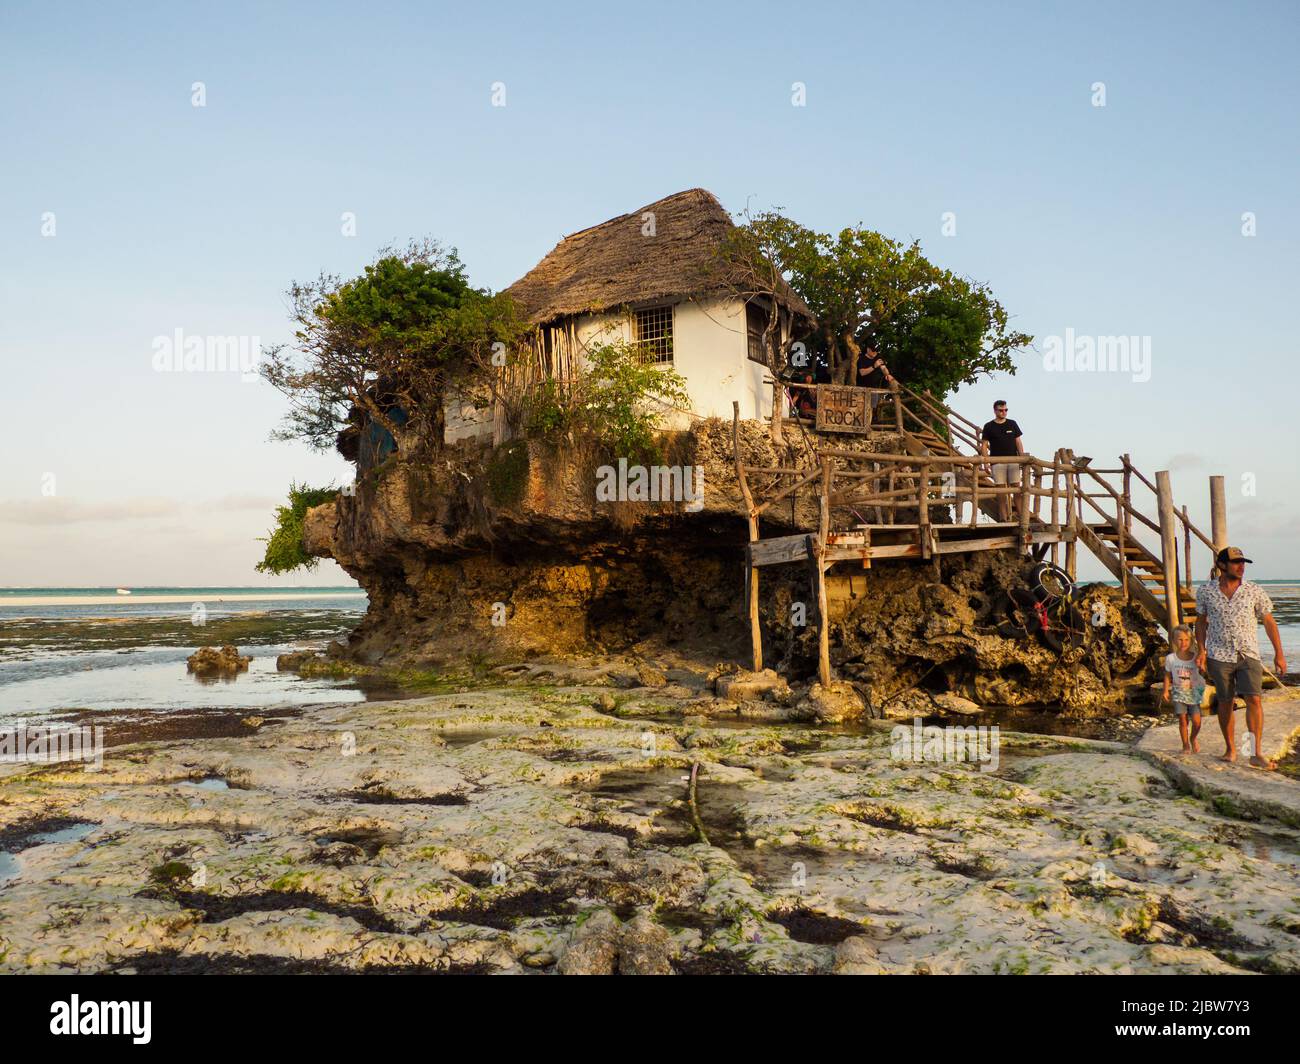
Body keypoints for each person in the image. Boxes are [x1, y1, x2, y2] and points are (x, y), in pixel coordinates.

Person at [1195, 546, 1287, 769]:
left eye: (1243, 562)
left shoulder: (1253, 590)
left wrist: (1279, 654)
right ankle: (1231, 749)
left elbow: (1269, 621)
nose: (1241, 566)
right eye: (1236, 562)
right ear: (1222, 565)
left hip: (1248, 654)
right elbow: (1200, 622)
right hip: (1218, 654)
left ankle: (1254, 753)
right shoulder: (1206, 591)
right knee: (1225, 702)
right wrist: (1201, 651)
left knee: (1253, 700)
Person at [978, 400, 1024, 521]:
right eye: (1001, 410)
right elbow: (984, 445)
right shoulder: (989, 426)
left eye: (1005, 410)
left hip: (1013, 461)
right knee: (1001, 492)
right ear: (995, 411)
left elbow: (1018, 441)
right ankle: (1003, 519)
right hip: (997, 463)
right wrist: (985, 463)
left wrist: (1022, 457)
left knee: (1017, 489)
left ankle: (1022, 517)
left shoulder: (1012, 424)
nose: (1004, 412)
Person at [1162, 624, 1205, 754]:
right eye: (1180, 639)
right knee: (1182, 719)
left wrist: (1203, 668)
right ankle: (1185, 745)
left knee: (1197, 721)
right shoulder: (1171, 658)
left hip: (1194, 693)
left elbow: (1203, 673)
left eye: (1186, 640)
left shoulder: (1196, 657)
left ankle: (1193, 738)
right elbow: (1167, 675)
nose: (1183, 643)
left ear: (1191, 641)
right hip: (1178, 693)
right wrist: (1165, 690)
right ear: (1174, 641)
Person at [856, 343, 896, 425]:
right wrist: (874, 366)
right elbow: (862, 373)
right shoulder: (861, 359)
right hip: (862, 388)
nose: (875, 353)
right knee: (860, 408)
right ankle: (859, 426)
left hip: (874, 389)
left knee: (871, 408)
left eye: (876, 351)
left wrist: (887, 374)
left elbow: (884, 368)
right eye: (873, 351)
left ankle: (868, 426)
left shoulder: (877, 357)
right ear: (868, 349)